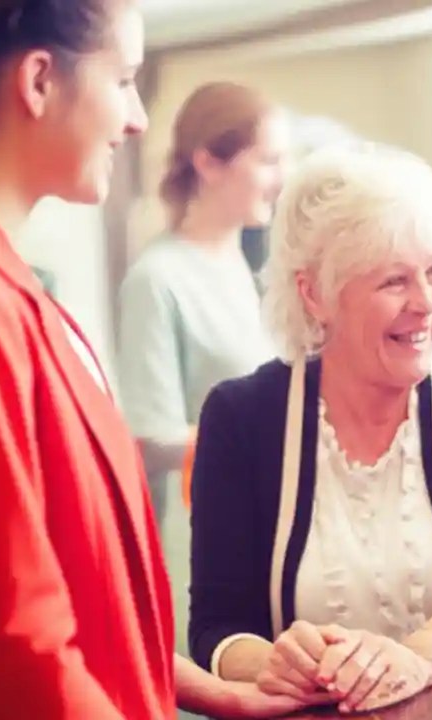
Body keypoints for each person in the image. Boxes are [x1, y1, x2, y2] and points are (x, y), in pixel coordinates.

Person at [0, 2, 312, 717]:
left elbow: (76, 595)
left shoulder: (0, 287)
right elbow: (19, 650)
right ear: (38, 82)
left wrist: (211, 691)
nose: (137, 120)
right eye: (123, 81)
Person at [188, 143, 432, 713]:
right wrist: (275, 663)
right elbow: (217, 625)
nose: (426, 302)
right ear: (315, 294)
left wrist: (418, 658)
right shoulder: (240, 418)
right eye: (394, 281)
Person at [118, 80, 285, 520]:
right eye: (268, 161)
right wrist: (268, 432)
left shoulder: (244, 268)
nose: (279, 180)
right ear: (209, 163)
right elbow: (150, 438)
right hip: (202, 528)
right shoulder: (156, 279)